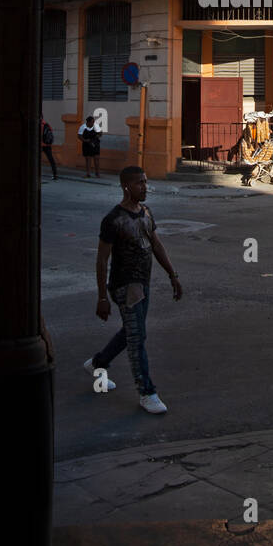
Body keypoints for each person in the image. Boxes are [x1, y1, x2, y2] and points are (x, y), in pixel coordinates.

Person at [83, 165, 182, 414]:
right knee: (137, 338)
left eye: (146, 182)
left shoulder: (146, 213)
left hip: (143, 284)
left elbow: (157, 245)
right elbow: (101, 260)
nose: (145, 187)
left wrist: (173, 275)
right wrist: (102, 297)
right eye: (140, 183)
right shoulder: (114, 219)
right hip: (125, 287)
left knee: (131, 331)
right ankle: (146, 392)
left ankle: (98, 363)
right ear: (126, 186)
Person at [40, 113, 58, 179]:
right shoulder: (46, 124)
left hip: (40, 144)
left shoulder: (37, 124)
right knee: (51, 160)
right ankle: (55, 174)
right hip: (47, 145)